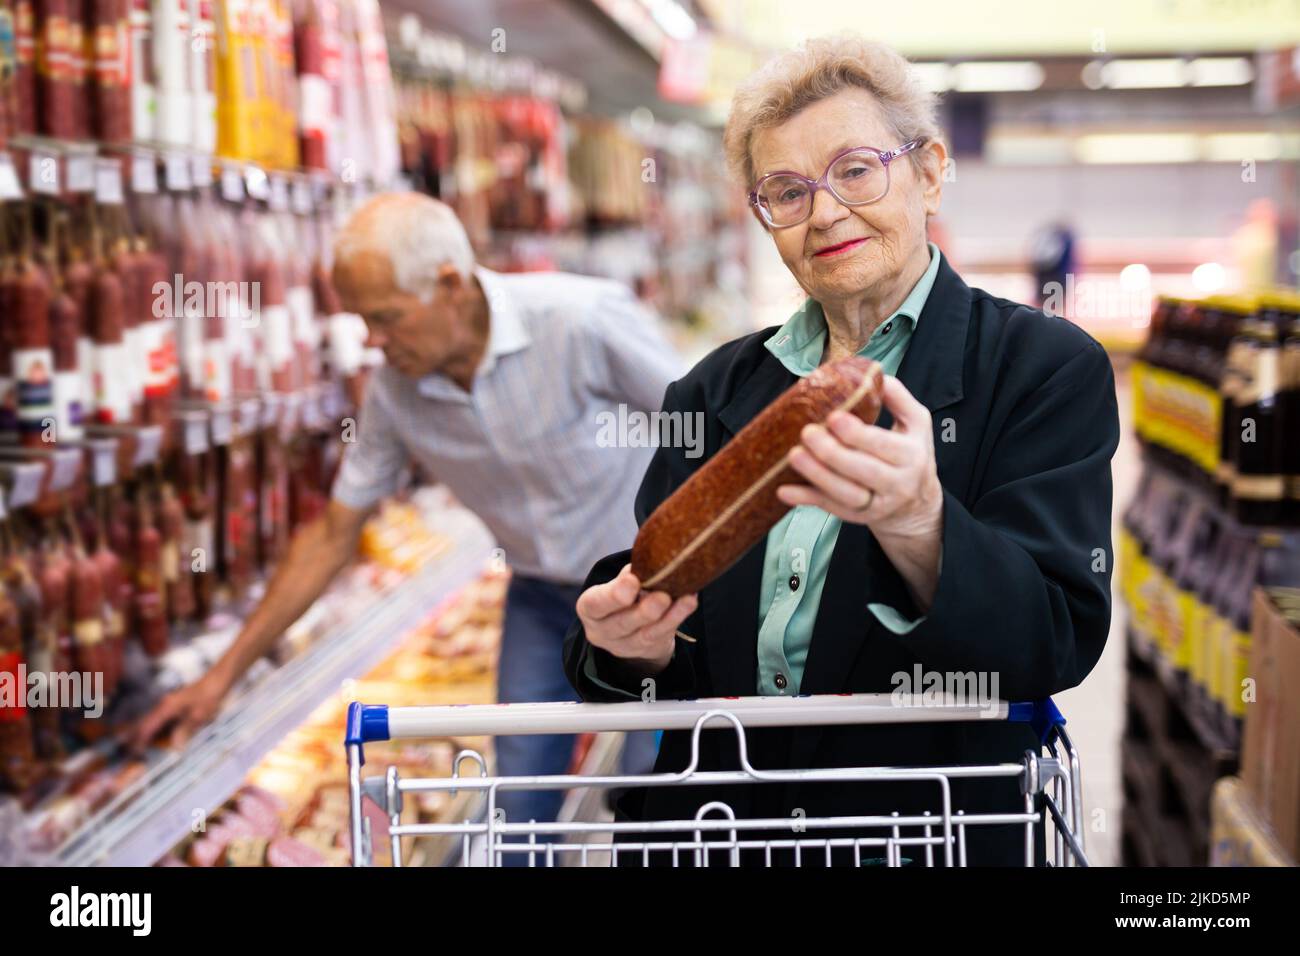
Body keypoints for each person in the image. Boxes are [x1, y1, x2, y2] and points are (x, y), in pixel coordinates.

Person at [563, 34, 1120, 866]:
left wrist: (923, 527)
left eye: (855, 171)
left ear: (929, 172)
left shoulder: (1041, 370)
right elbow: (671, 637)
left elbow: (1055, 638)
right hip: (715, 839)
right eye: (785, 192)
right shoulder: (712, 392)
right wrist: (625, 647)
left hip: (920, 836)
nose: (823, 213)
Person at [135, 193, 681, 834]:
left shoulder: (580, 320)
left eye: (386, 317)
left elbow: (707, 428)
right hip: (539, 599)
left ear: (451, 285)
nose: (373, 341)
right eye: (363, 320)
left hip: (652, 591)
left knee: (660, 794)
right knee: (514, 804)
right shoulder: (396, 393)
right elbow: (336, 533)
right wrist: (221, 677)